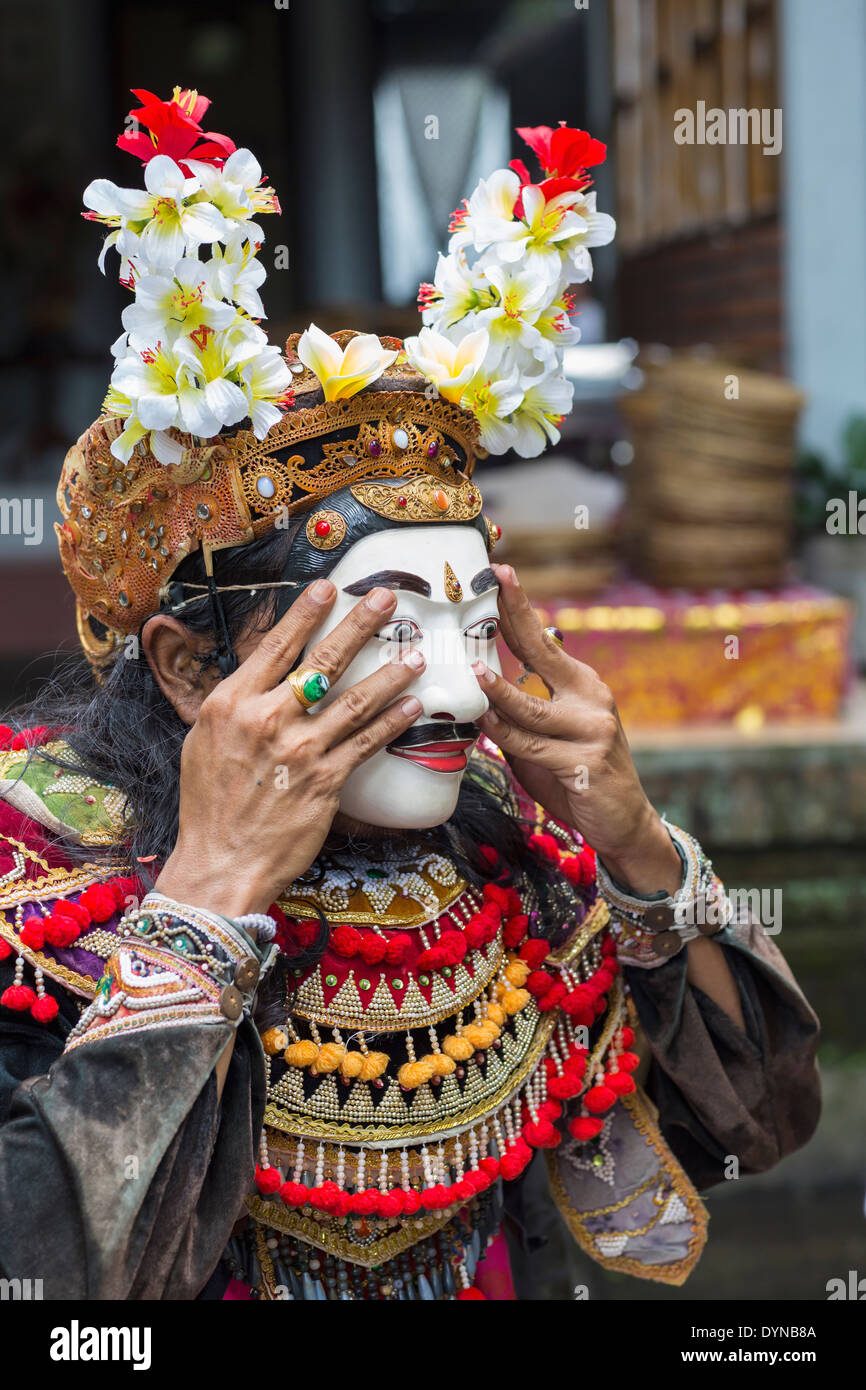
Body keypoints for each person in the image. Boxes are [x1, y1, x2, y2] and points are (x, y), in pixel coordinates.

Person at [0, 90, 819, 1300]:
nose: (451, 686)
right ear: (187, 667)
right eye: (387, 629)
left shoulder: (511, 865)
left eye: (475, 626)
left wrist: (634, 839)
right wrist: (208, 904)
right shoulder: (38, 889)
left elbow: (757, 1121)